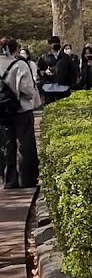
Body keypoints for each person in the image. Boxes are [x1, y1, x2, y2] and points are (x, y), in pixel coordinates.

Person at [1, 37, 41, 189]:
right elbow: (28, 90)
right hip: (21, 109)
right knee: (25, 145)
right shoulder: (19, 65)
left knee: (7, 145)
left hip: (2, 112)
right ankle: (27, 179)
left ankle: (9, 180)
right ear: (16, 49)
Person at [37, 36, 76, 104]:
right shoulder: (44, 58)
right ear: (49, 45)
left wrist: (71, 84)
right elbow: (39, 71)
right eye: (53, 43)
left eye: (57, 43)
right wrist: (45, 72)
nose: (56, 45)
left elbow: (72, 71)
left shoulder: (66, 57)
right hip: (49, 88)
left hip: (63, 87)